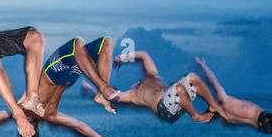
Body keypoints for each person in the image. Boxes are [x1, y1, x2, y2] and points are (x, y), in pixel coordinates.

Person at [80, 49, 217, 123]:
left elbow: (144, 55)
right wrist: (92, 90)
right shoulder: (131, 95)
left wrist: (123, 57)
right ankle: (195, 115)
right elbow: (107, 97)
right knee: (179, 88)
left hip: (177, 102)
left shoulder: (152, 74)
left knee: (192, 77)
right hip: (164, 108)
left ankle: (212, 105)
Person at [38, 36, 122, 114]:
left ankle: (102, 94)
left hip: (54, 73)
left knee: (106, 42)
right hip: (64, 76)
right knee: (76, 44)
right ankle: (103, 88)